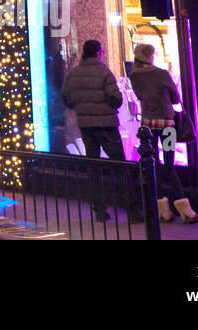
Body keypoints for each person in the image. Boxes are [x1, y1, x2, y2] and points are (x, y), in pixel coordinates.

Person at [61, 39, 142, 223]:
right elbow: (116, 99)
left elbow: (65, 97)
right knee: (120, 167)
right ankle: (132, 210)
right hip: (107, 126)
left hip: (86, 127)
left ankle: (99, 209)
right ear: (98, 52)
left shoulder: (73, 74)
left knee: (94, 167)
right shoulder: (104, 73)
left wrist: (80, 108)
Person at [130, 43, 198, 224]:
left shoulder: (134, 76)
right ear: (151, 56)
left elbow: (140, 97)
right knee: (169, 164)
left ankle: (163, 211)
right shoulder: (162, 74)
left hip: (147, 128)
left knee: (155, 165)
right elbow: (176, 98)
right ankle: (186, 211)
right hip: (168, 126)